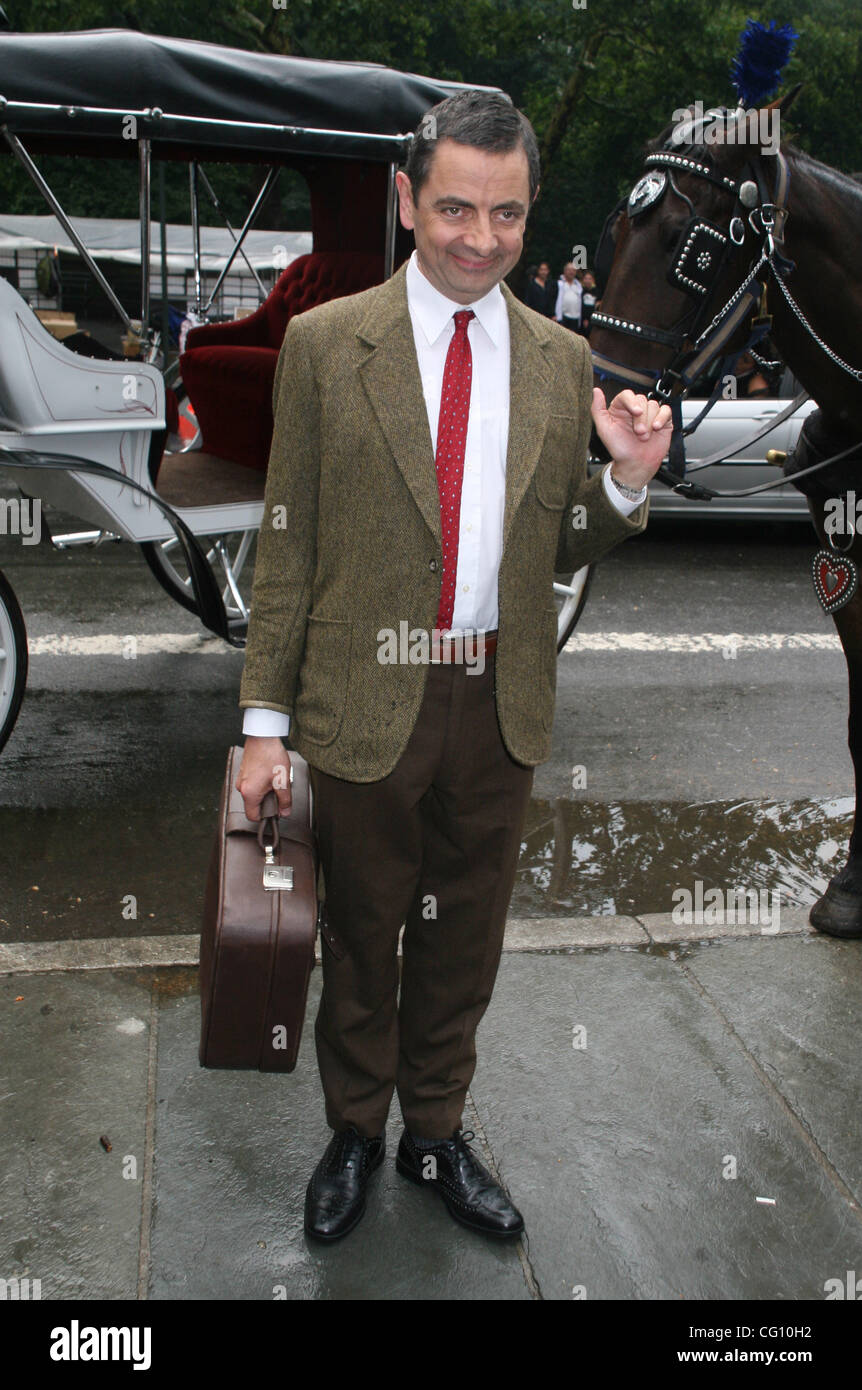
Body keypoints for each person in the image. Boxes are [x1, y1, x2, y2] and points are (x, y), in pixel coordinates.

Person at [236, 90, 671, 1244]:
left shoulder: (559, 356)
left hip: (497, 699)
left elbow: (556, 541)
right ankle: (352, 1131)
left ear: (532, 217)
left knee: (463, 934)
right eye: (456, 209)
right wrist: (262, 727)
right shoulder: (330, 347)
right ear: (407, 199)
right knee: (361, 929)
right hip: (362, 694)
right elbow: (285, 545)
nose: (481, 239)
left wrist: (620, 481)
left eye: (509, 214)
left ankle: (433, 1129)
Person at [554, 262, 582, 330]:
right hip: (563, 318)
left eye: (573, 270)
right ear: (564, 271)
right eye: (569, 270)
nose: (571, 272)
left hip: (575, 318)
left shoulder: (579, 286)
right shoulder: (558, 284)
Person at [580, 269, 598, 334]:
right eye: (586, 278)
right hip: (582, 320)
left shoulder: (597, 291)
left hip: (593, 320)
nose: (587, 281)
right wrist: (585, 319)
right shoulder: (581, 291)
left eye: (589, 279)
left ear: (593, 280)